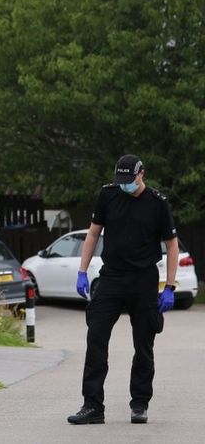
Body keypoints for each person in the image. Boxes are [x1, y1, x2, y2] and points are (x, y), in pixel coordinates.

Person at [67, 155, 177, 425]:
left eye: (130, 180)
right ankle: (92, 406)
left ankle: (139, 404)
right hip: (112, 277)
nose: (125, 185)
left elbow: (172, 245)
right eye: (121, 180)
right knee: (96, 338)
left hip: (143, 279)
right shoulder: (108, 195)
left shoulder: (157, 203)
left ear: (142, 174)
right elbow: (93, 234)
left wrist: (170, 286)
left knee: (143, 344)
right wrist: (82, 272)